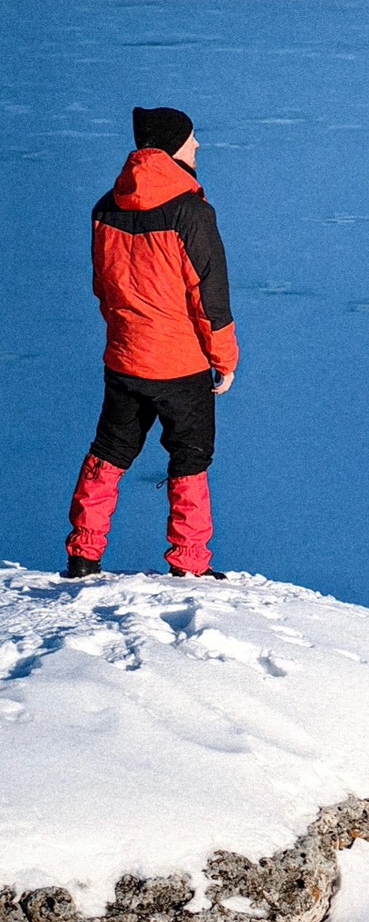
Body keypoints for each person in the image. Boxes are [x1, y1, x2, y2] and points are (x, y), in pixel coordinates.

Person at [63, 106, 239, 579]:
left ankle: (83, 555)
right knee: (190, 457)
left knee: (109, 451)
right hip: (181, 365)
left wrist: (125, 334)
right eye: (192, 138)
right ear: (172, 147)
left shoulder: (106, 206)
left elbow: (104, 286)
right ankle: (189, 563)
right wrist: (225, 359)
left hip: (125, 357)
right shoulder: (192, 212)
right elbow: (211, 298)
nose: (198, 146)